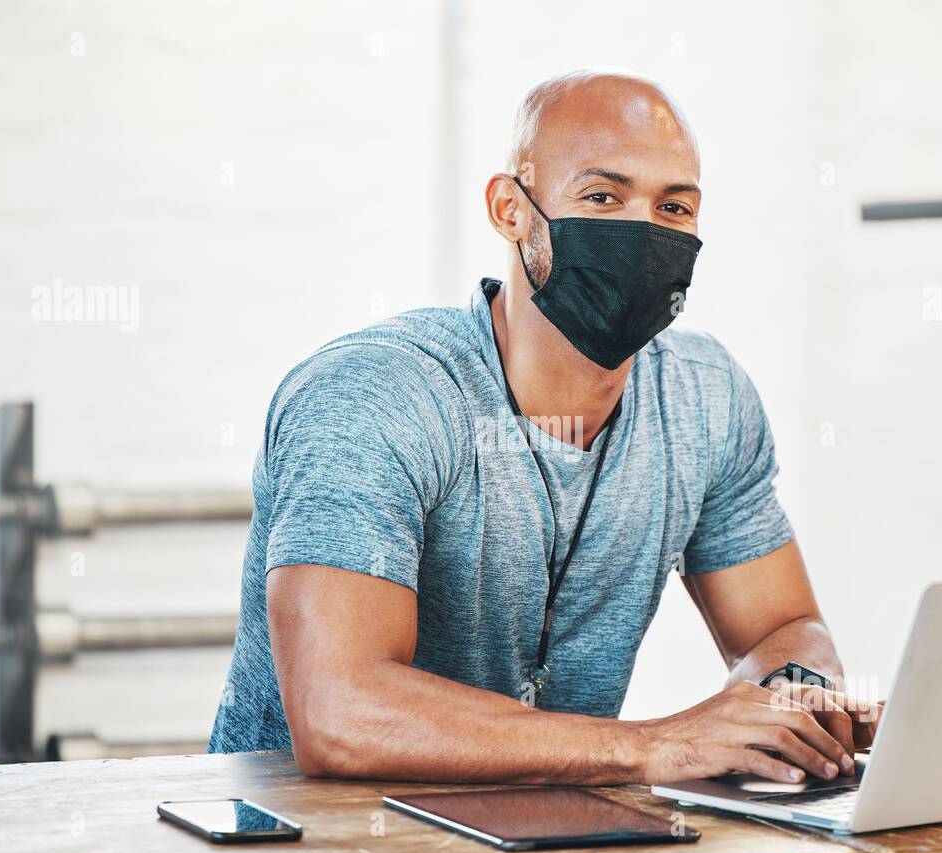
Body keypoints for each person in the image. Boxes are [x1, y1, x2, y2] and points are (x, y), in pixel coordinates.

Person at [208, 68, 882, 786]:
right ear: (510, 209)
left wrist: (795, 697)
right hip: (306, 841)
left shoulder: (705, 399)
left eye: (675, 208)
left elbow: (781, 627)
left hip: (549, 831)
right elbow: (340, 713)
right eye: (602, 197)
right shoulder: (377, 395)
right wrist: (655, 746)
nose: (643, 232)